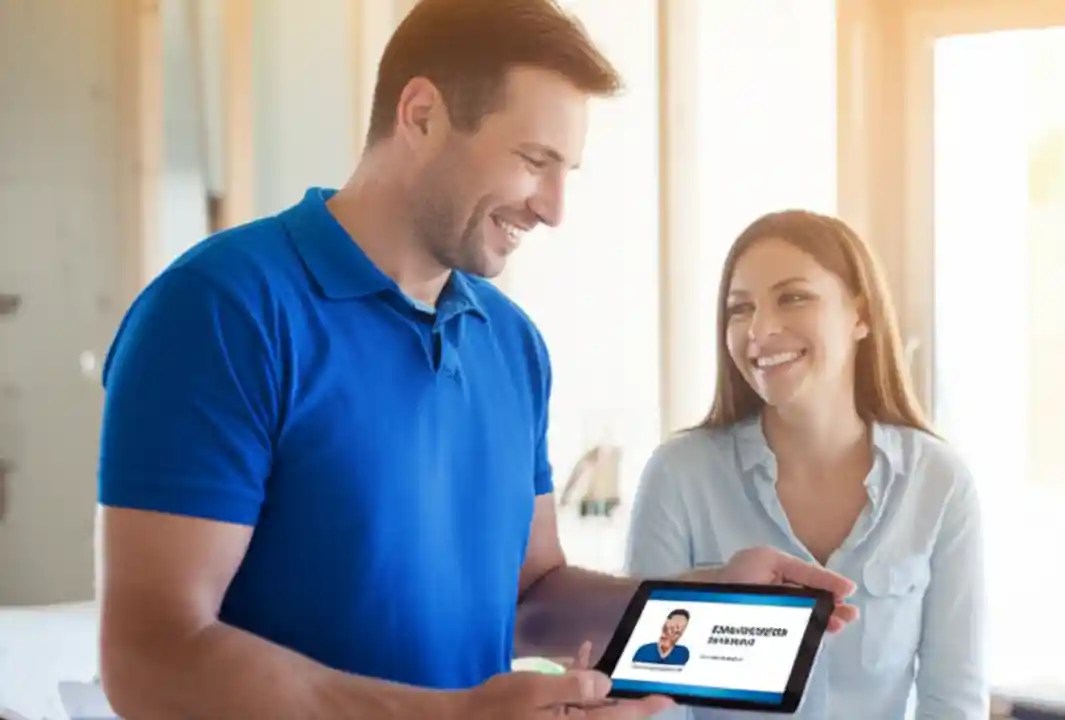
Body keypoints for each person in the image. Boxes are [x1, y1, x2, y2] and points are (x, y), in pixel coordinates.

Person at [95, 3, 859, 719]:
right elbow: (151, 656)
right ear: (421, 114)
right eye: (533, 161)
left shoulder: (510, 342)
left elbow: (530, 595)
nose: (553, 207)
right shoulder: (220, 310)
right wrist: (449, 717)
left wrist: (703, 600)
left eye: (567, 172)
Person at [626, 211, 987, 719]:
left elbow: (953, 702)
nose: (760, 329)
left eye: (792, 297)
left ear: (860, 315)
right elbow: (652, 703)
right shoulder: (679, 477)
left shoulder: (939, 483)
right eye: (739, 308)